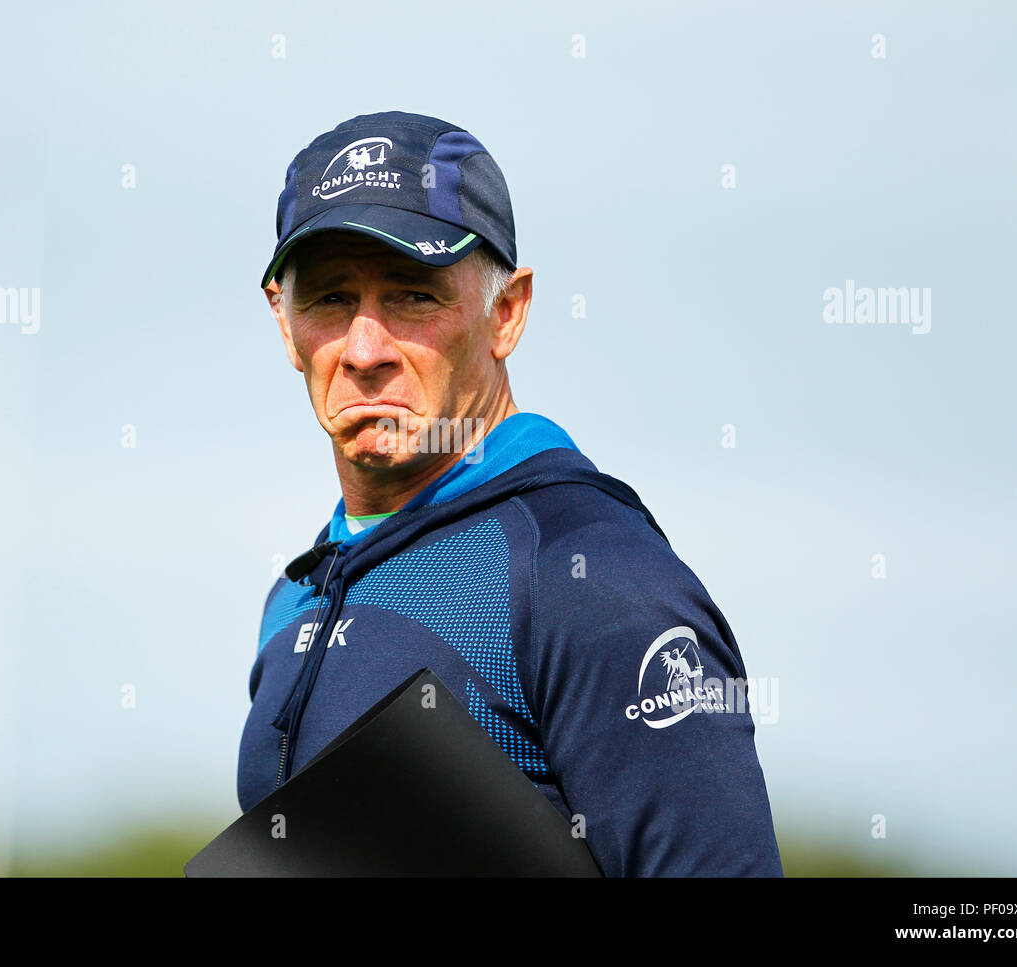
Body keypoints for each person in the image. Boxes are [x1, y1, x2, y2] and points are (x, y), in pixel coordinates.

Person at [237, 110, 783, 876]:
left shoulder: (587, 572)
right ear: (282, 322)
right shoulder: (290, 603)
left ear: (507, 312)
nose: (365, 351)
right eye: (329, 299)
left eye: (413, 297)